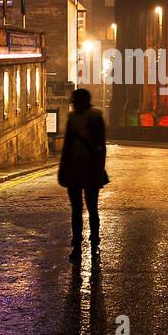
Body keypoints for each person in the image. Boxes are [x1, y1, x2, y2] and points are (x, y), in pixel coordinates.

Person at [57, 88, 109, 260]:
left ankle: (90, 242)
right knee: (81, 209)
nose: (72, 103)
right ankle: (81, 243)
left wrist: (99, 170)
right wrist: (63, 169)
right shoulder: (78, 119)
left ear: (81, 102)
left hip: (86, 169)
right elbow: (68, 147)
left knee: (87, 209)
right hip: (78, 169)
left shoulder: (93, 119)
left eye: (74, 101)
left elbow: (100, 147)